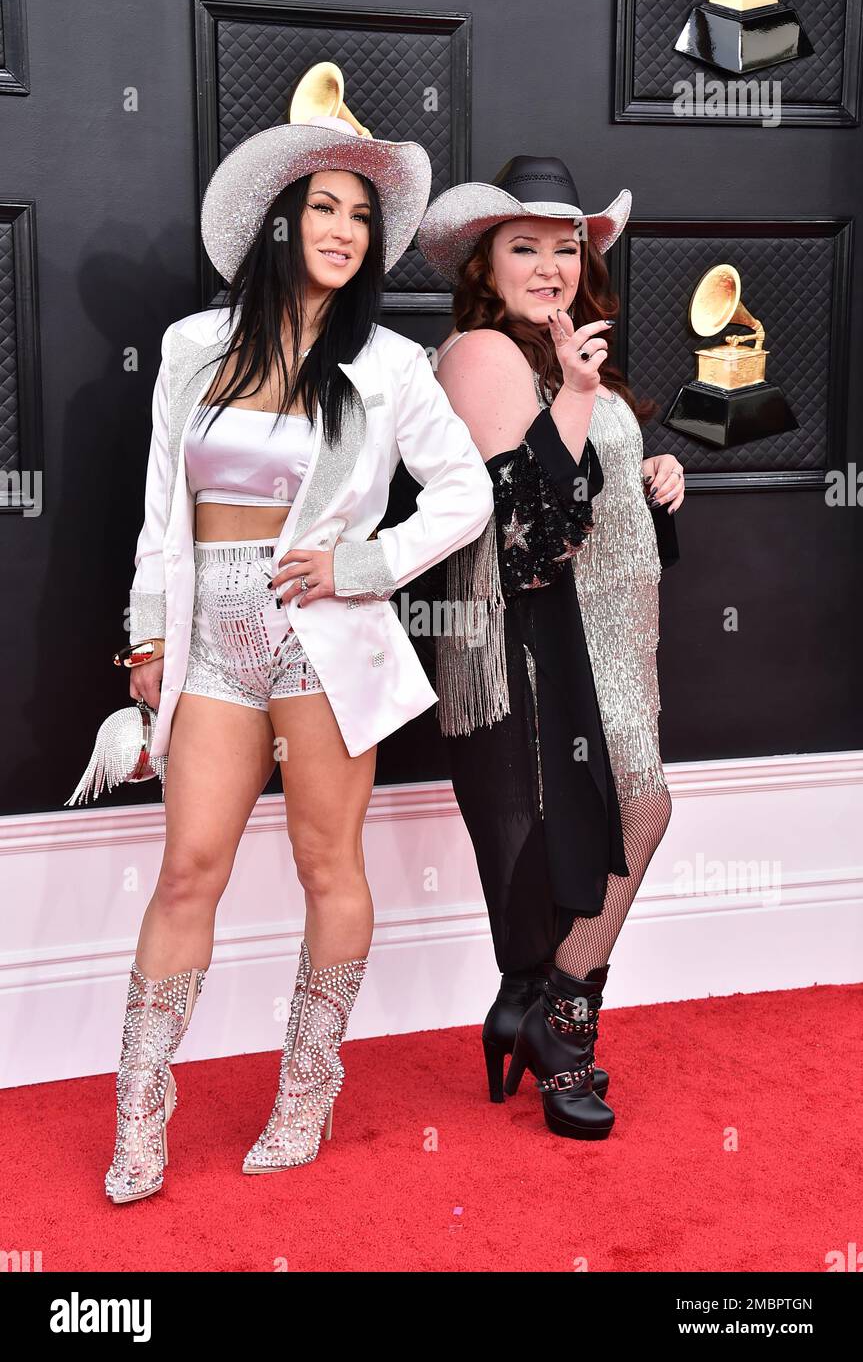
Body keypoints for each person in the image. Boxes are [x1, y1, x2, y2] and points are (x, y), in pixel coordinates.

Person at [103, 72, 494, 1203]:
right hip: (211, 640)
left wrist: (359, 566)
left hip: (320, 639)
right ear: (281, 219)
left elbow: (461, 492)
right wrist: (146, 640)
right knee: (190, 868)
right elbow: (156, 516)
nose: (342, 230)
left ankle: (306, 1088)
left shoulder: (386, 367)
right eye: (323, 206)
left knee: (329, 862)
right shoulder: (192, 348)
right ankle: (140, 1111)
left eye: (360, 214)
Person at [416, 155, 683, 1139]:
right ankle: (558, 1030)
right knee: (630, 813)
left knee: (626, 813)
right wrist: (575, 396)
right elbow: (531, 528)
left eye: (562, 248)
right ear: (483, 264)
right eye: (521, 247)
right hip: (542, 636)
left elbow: (594, 487)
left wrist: (651, 468)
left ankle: (532, 1006)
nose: (546, 266)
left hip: (616, 626)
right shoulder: (483, 354)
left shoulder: (573, 351)